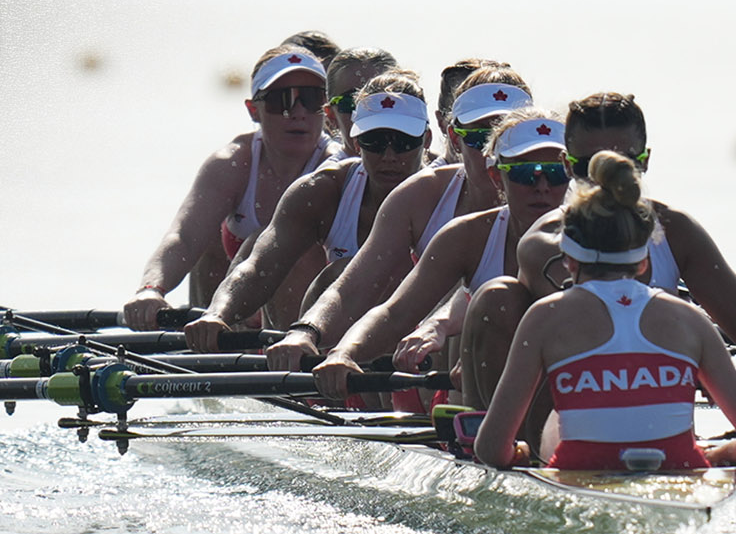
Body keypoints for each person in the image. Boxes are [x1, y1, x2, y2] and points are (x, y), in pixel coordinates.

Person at [458, 92, 736, 447]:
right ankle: (516, 456)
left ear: (645, 161)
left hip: (647, 427)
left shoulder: (677, 231)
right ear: (567, 165)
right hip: (555, 427)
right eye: (591, 167)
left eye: (621, 164)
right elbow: (600, 320)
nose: (604, 184)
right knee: (498, 298)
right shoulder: (543, 243)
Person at [473, 151, 736, 471]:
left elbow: (491, 448)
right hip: (678, 471)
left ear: (569, 261)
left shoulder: (544, 317)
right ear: (644, 262)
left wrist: (518, 454)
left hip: (580, 473)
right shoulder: (691, 320)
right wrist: (717, 455)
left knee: (554, 423)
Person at [263, 65, 531, 370]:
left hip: (517, 363)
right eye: (479, 136)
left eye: (508, 138)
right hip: (435, 369)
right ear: (454, 140)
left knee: (495, 306)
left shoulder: (566, 214)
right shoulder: (418, 196)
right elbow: (356, 288)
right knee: (351, 275)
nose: (489, 152)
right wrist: (309, 334)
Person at [309, 107, 571, 403]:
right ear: (497, 177)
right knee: (498, 299)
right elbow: (395, 314)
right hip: (494, 398)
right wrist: (345, 353)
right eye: (525, 174)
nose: (543, 187)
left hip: (573, 382)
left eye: (555, 173)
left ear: (571, 172)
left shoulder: (604, 237)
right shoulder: (467, 236)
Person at [184, 71, 432, 351]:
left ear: (427, 140)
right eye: (375, 141)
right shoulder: (322, 190)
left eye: (403, 142)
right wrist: (219, 314)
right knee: (322, 267)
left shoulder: (456, 195)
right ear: (356, 141)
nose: (389, 156)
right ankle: (297, 371)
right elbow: (258, 268)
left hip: (425, 342)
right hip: (343, 339)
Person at [126, 45, 333, 329]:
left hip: (316, 323)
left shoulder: (338, 168)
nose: (297, 113)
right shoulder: (232, 163)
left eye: (310, 99)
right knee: (210, 235)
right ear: (253, 110)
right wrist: (151, 289)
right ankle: (206, 344)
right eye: (281, 100)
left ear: (326, 108)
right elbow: (183, 237)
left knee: (284, 241)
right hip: (240, 317)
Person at [322, 47, 399, 152]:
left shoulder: (426, 166)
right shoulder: (329, 168)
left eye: (381, 100)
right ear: (332, 117)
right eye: (352, 103)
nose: (368, 113)